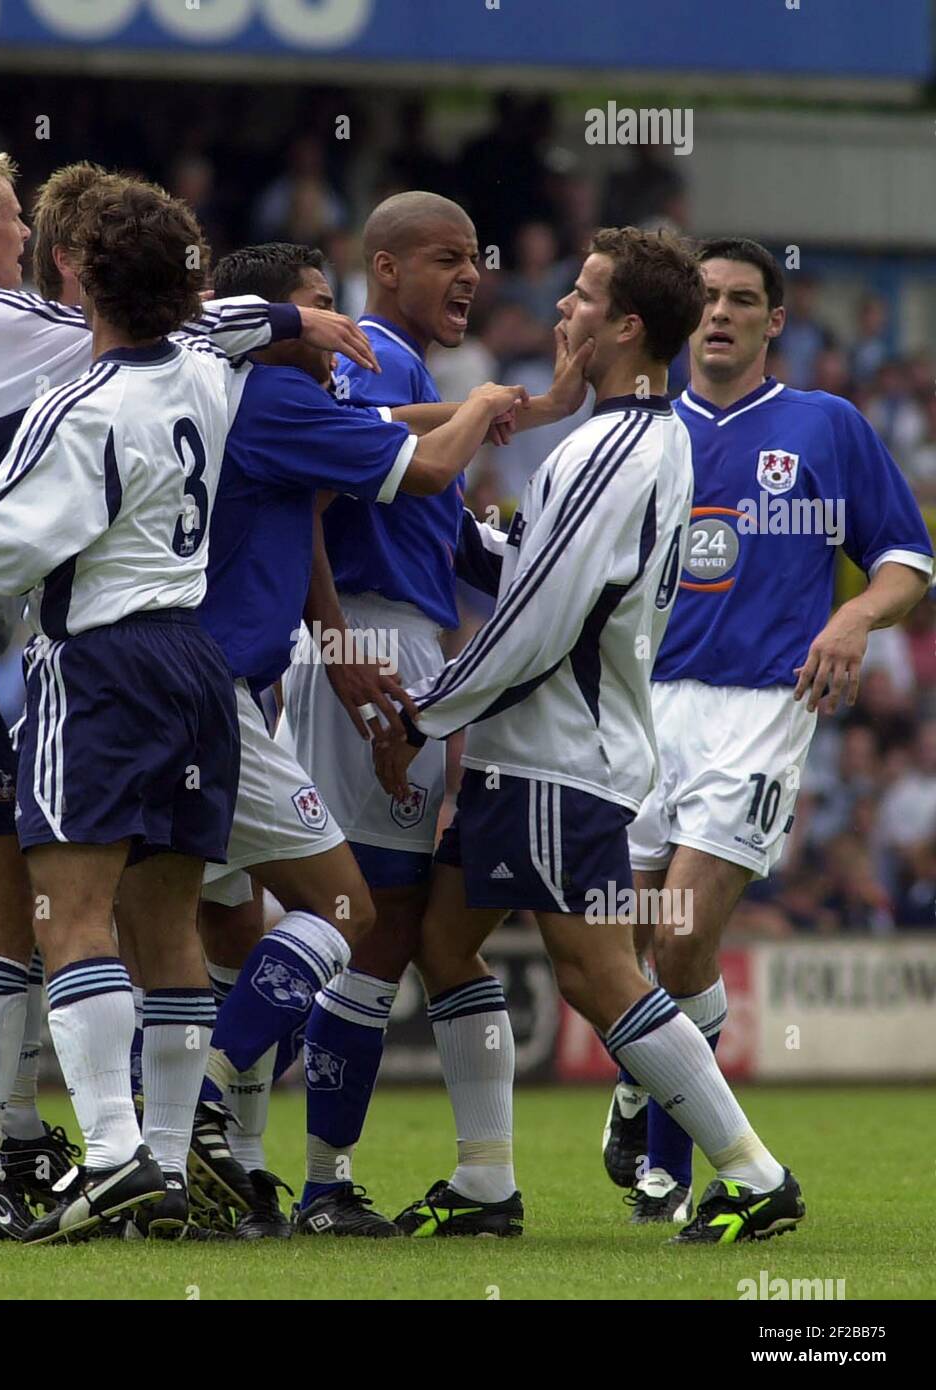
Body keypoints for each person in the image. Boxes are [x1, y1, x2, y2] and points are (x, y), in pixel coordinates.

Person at [0, 150, 375, 1240]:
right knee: (103, 919)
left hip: (43, 644)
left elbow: (0, 548)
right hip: (145, 652)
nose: (28, 242)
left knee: (36, 913)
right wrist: (285, 319)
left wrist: (272, 316)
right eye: (12, 220)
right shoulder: (134, 361)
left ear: (87, 275)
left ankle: (21, 1155)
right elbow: (189, 325)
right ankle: (43, 1154)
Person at [377, 227, 806, 1246]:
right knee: (444, 941)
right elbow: (536, 574)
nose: (561, 308)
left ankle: (754, 1174)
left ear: (623, 327)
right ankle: (484, 1181)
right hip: (543, 749)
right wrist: (443, 524)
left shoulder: (610, 450)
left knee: (595, 972)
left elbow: (539, 622)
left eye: (581, 295)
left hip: (556, 755)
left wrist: (423, 713)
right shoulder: (633, 437)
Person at [175, 241, 587, 1237]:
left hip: (307, 654)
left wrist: (532, 404)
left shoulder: (340, 376)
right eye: (446, 257)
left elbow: (408, 482)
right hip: (363, 643)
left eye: (474, 258)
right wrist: (339, 641)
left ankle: (246, 1165)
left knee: (278, 922)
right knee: (365, 920)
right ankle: (259, 1148)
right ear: (385, 269)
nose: (470, 275)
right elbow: (344, 489)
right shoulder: (363, 355)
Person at [602, 237, 933, 1224]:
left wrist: (853, 616)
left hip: (759, 707)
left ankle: (686, 1168)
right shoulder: (641, 428)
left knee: (682, 938)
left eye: (742, 299)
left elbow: (906, 560)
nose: (720, 313)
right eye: (706, 296)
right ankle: (641, 1087)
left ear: (773, 321)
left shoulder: (825, 425)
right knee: (626, 945)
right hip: (638, 704)